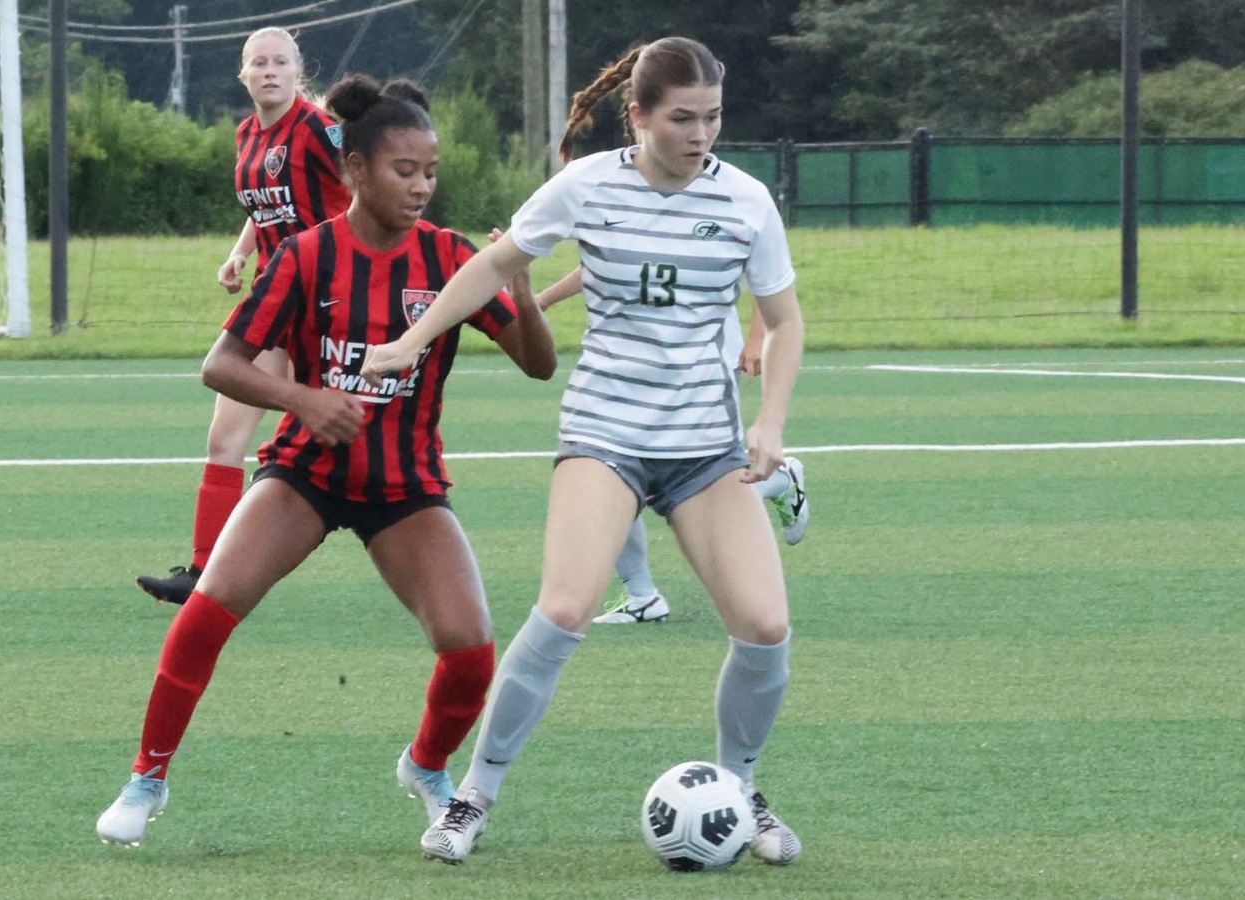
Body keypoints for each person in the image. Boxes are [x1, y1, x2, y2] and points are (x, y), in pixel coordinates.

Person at [363, 36, 804, 865]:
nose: (700, 134)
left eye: (711, 118)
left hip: (706, 450)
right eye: (681, 119)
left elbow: (784, 323)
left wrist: (769, 422)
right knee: (564, 608)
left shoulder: (746, 202)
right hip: (605, 434)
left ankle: (739, 789)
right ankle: (472, 798)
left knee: (766, 625)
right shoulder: (587, 184)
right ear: (637, 117)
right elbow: (495, 264)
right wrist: (411, 339)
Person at [95, 74, 558, 848]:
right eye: (404, 171)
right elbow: (222, 363)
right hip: (304, 477)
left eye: (430, 172)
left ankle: (425, 764)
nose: (421, 187)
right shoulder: (307, 257)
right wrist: (307, 401)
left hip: (405, 488)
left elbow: (539, 366)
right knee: (206, 612)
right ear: (354, 171)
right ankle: (146, 779)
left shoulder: (450, 259)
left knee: (471, 650)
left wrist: (522, 279)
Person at [137, 27, 352, 606]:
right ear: (243, 74)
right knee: (225, 436)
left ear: (297, 70)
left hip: (324, 302)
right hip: (272, 297)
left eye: (280, 61)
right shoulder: (247, 133)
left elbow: (363, 180)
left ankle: (410, 536)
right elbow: (266, 202)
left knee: (340, 448)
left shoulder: (317, 127)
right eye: (258, 63)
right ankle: (205, 575)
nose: (269, 70)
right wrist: (240, 252)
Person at [534, 272, 809, 624]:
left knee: (704, 489)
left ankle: (780, 482)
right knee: (610, 469)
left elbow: (765, 276)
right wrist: (542, 299)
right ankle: (642, 595)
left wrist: (756, 339)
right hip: (636, 368)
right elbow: (598, 264)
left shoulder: (726, 216)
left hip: (707, 366)